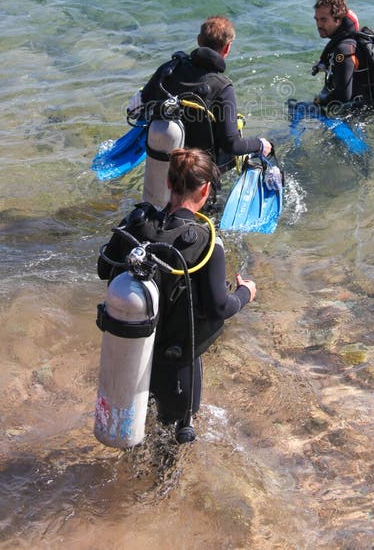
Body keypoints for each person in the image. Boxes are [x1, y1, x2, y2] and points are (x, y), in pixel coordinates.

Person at [97, 148, 256, 440]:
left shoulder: (137, 222)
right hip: (176, 366)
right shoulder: (207, 244)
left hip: (130, 351)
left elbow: (103, 267)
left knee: (133, 429)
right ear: (206, 189)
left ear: (168, 183)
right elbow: (219, 308)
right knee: (173, 441)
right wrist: (245, 293)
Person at [128, 15, 272, 168]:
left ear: (198, 40)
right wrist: (260, 144)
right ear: (227, 47)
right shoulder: (223, 88)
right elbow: (232, 145)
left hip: (165, 159)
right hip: (199, 169)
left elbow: (137, 107)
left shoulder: (169, 69)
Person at [312, 0, 374, 113]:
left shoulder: (344, 49)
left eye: (324, 20)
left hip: (359, 113)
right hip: (358, 107)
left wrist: (319, 102)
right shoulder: (346, 42)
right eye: (317, 20)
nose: (319, 25)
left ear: (338, 20)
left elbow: (343, 95)